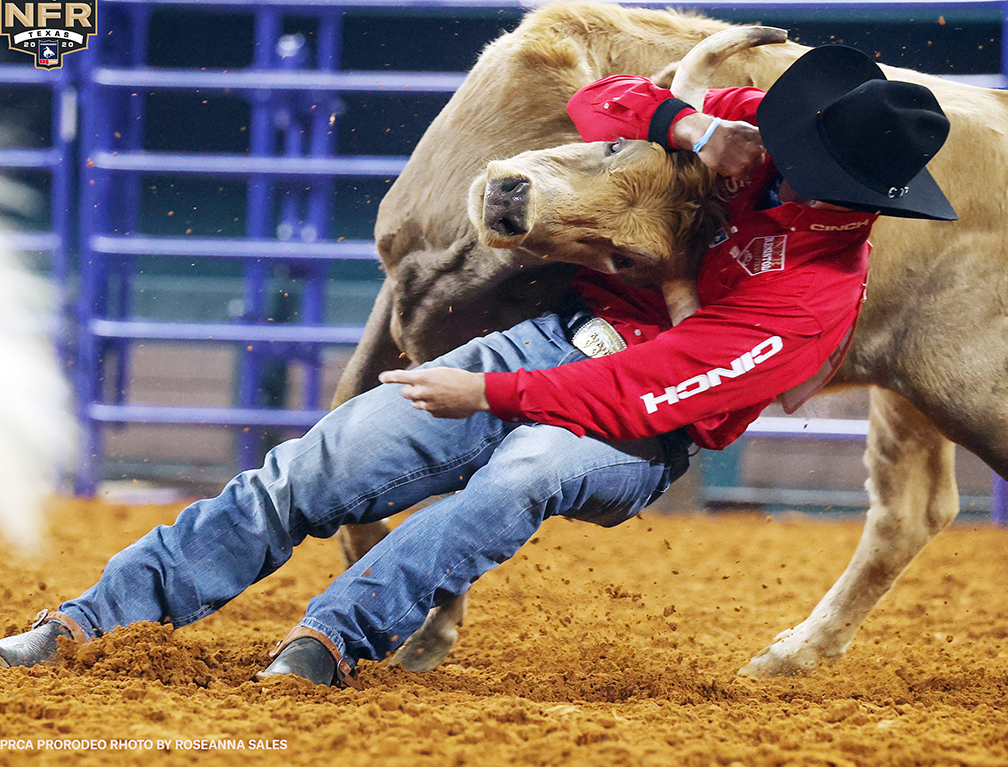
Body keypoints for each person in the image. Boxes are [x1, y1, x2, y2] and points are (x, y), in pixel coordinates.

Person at [0, 45, 955, 688]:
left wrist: (487, 390)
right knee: (319, 465)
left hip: (637, 436)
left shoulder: (812, 300)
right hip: (557, 341)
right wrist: (692, 128)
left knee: (522, 475)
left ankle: (330, 639)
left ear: (845, 196)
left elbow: (648, 392)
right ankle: (91, 619)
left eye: (798, 153)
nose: (774, 150)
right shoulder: (746, 134)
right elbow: (598, 103)